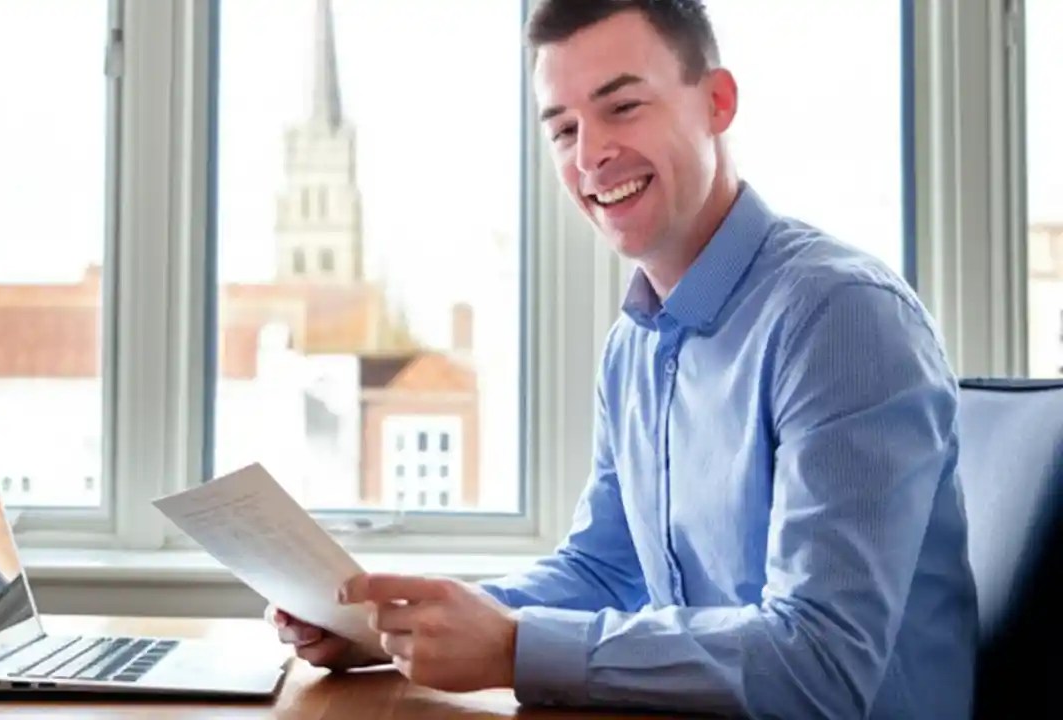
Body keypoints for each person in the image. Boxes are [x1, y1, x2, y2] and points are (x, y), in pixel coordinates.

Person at [268, 1, 979, 717]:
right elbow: (603, 571)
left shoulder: (842, 317)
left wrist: (513, 646)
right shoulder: (633, 345)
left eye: (623, 108)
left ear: (717, 102)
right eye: (564, 129)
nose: (589, 156)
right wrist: (398, 628)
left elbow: (822, 663)